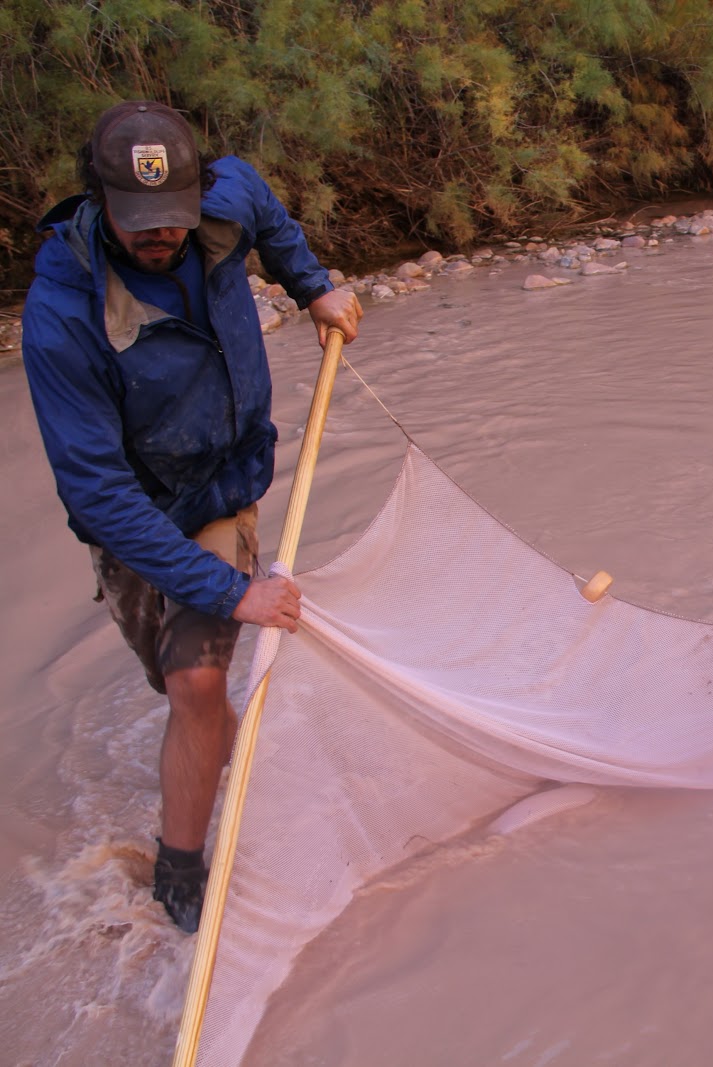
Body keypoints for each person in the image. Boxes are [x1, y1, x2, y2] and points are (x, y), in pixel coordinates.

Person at [21, 101, 363, 931]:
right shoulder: (62, 316)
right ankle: (250, 764)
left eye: (171, 219)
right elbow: (98, 494)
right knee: (181, 686)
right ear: (98, 199)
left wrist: (314, 287)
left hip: (222, 480)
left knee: (196, 678)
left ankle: (179, 870)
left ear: (198, 192)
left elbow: (274, 224)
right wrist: (231, 592)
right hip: (132, 513)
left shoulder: (230, 194)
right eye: (138, 224)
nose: (158, 237)